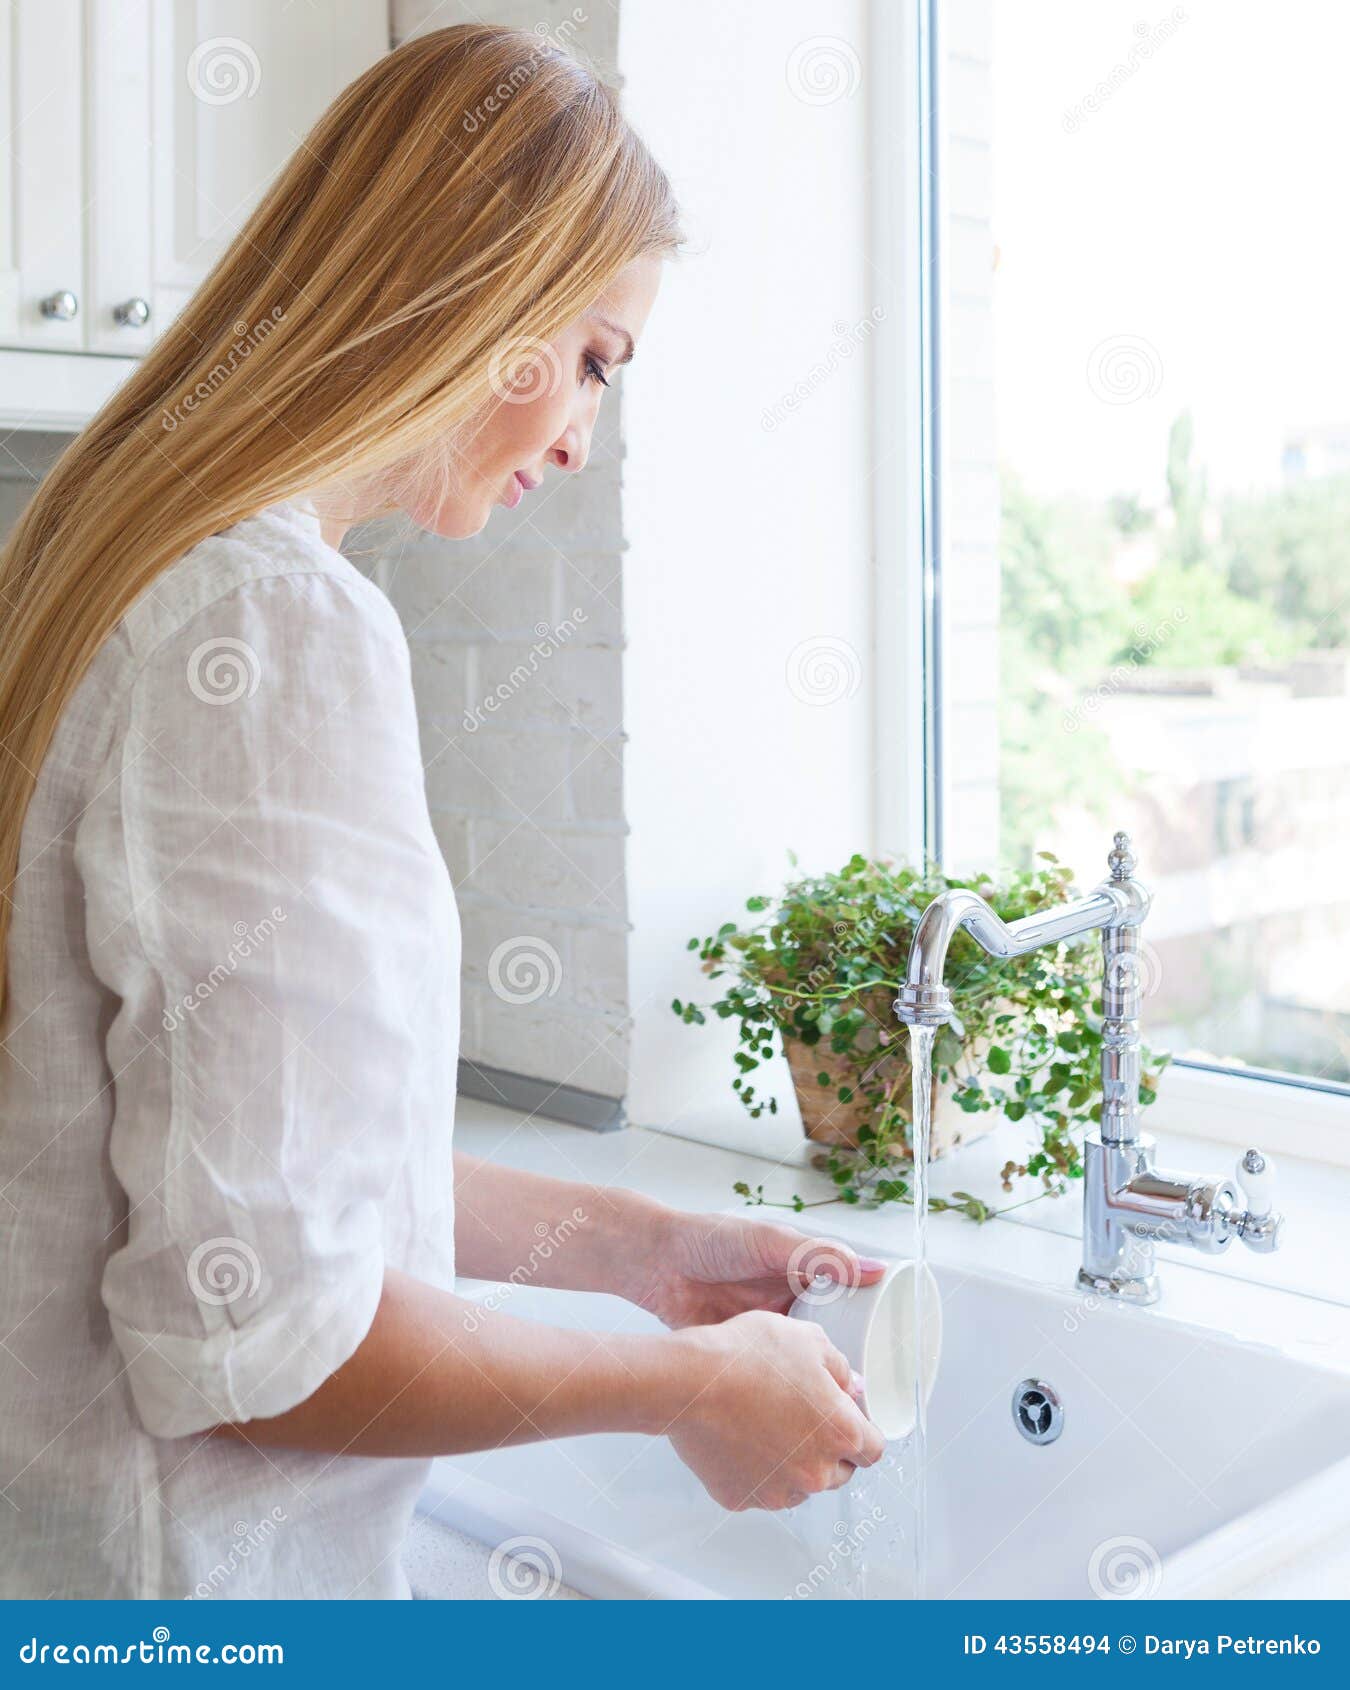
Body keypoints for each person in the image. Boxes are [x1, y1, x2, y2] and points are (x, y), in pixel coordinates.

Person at [0, 24, 884, 1601]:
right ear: (483, 296)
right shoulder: (274, 628)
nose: (586, 433)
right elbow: (275, 1349)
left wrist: (636, 1248)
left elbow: (259, 1181)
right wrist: (691, 1390)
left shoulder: (108, 558)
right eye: (599, 358)